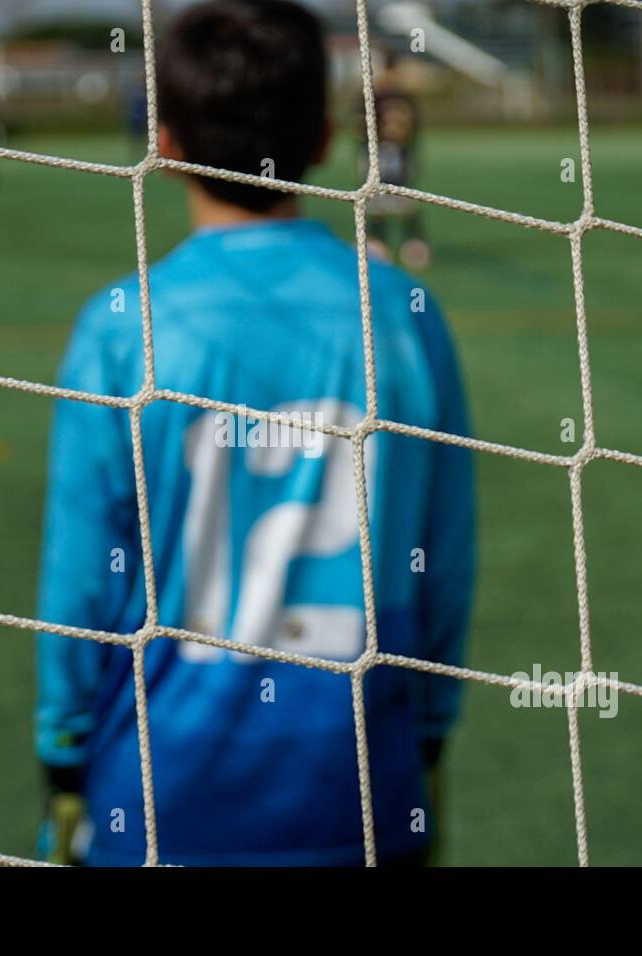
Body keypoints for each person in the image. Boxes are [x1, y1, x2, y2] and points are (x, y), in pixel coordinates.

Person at [35, 0, 475, 867]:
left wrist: (61, 749)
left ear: (162, 142)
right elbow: (443, 556)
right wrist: (427, 735)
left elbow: (80, 575)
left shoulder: (125, 327)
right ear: (321, 137)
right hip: (358, 792)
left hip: (162, 795)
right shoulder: (402, 313)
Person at [360, 51, 431, 269]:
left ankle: (414, 243)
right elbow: (362, 125)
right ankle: (377, 242)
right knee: (376, 200)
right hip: (378, 152)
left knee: (405, 199)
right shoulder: (374, 95)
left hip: (400, 154)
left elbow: (414, 126)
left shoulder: (403, 96)